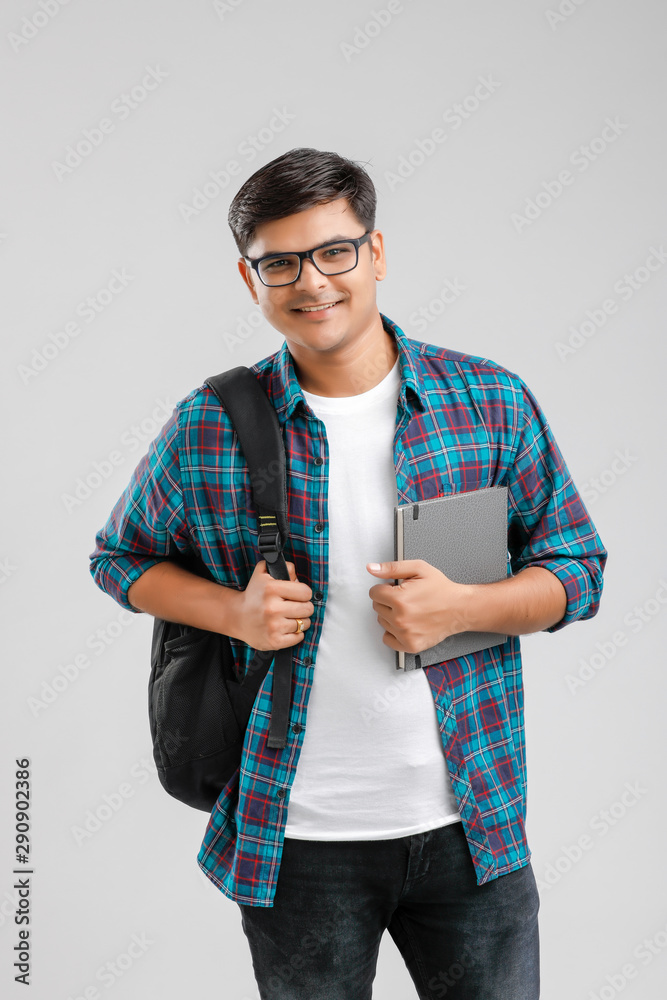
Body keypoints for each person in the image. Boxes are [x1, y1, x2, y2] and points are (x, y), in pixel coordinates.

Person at [89, 146, 607, 1000]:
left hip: (471, 825)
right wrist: (233, 612)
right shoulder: (212, 424)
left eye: (334, 251)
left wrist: (467, 606)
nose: (312, 282)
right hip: (295, 838)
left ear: (375, 253)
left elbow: (577, 568)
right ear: (248, 277)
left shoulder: (487, 401)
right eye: (280, 262)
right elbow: (119, 557)